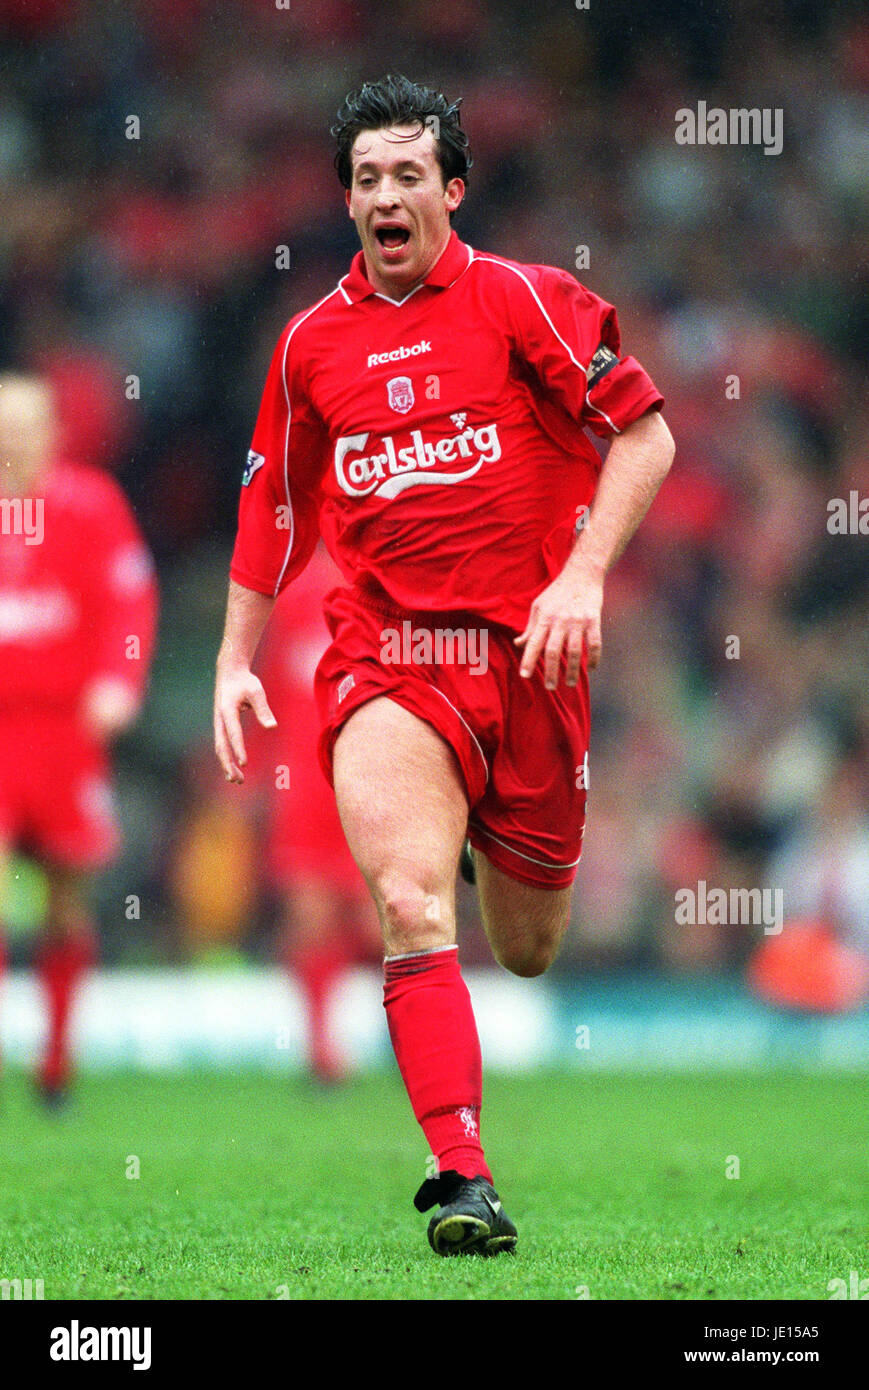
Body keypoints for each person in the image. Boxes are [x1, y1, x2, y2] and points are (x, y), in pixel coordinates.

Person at [214, 75, 674, 1255]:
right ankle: (460, 1173)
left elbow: (646, 432)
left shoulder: (525, 300)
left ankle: (481, 830)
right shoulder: (311, 343)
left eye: (406, 173)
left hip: (530, 660)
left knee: (525, 949)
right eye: (365, 177)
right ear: (347, 200)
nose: (384, 193)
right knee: (409, 904)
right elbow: (274, 502)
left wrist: (580, 577)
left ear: (451, 189)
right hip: (388, 659)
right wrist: (233, 658)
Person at [0, 372, 158, 1104]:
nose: (12, 438)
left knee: (67, 891)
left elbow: (129, 597)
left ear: (53, 432)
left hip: (63, 730)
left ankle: (56, 1059)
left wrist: (117, 683)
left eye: (24, 424)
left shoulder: (89, 504)